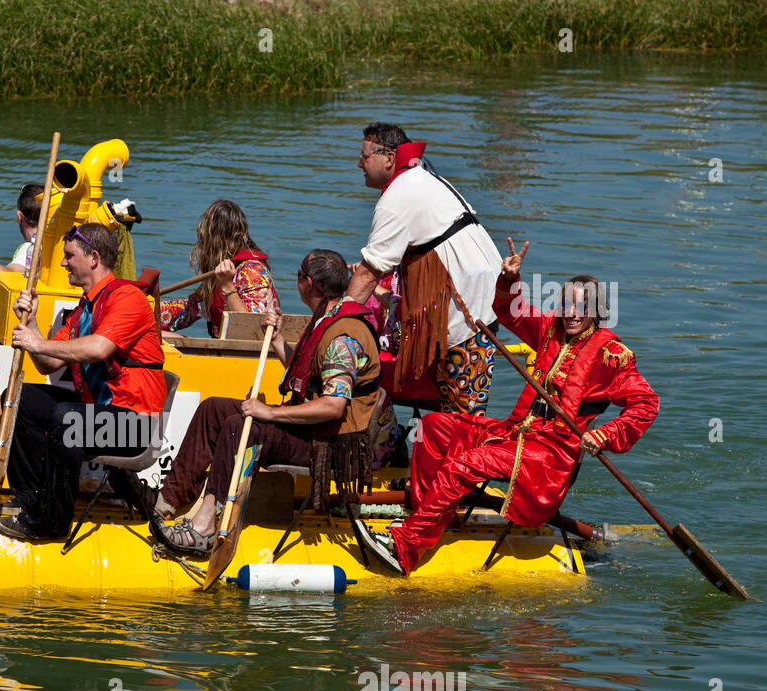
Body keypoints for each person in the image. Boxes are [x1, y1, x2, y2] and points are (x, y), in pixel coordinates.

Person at [353, 238, 659, 575]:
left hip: (550, 454)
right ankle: (432, 517)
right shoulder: (549, 331)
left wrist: (603, 436)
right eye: (566, 305)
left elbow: (645, 404)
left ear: (597, 312)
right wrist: (509, 279)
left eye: (581, 307)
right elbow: (508, 311)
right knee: (432, 427)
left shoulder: (609, 355)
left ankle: (405, 545)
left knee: (464, 465)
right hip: (515, 432)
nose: (571, 313)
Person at [149, 250, 384, 556]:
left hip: (330, 444)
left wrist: (269, 411)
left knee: (239, 427)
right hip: (315, 430)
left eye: (298, 275)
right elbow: (310, 376)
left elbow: (333, 406)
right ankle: (168, 501)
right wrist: (277, 343)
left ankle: (205, 527)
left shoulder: (343, 336)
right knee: (214, 408)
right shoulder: (327, 315)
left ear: (308, 283)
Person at [0, 223, 167, 543]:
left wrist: (38, 342)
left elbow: (99, 348)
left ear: (94, 258)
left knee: (67, 418)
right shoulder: (82, 311)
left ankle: (53, 523)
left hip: (138, 428)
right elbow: (48, 362)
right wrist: (31, 321)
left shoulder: (128, 298)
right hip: (104, 415)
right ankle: (31, 498)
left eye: (68, 256)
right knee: (21, 397)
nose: (63, 263)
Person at [345, 122, 503, 415]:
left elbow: (369, 272)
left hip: (468, 306)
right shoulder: (421, 179)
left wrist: (338, 320)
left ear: (389, 158)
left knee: (462, 413)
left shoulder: (398, 196)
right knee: (453, 404)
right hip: (479, 297)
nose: (359, 163)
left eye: (364, 156)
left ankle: (462, 456)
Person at [159, 199, 280, 339]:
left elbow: (252, 333)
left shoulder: (253, 273)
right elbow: (188, 310)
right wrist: (145, 308)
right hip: (225, 351)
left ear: (214, 242)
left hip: (249, 356)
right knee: (157, 336)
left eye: (203, 240)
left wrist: (228, 286)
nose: (201, 246)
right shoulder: (222, 273)